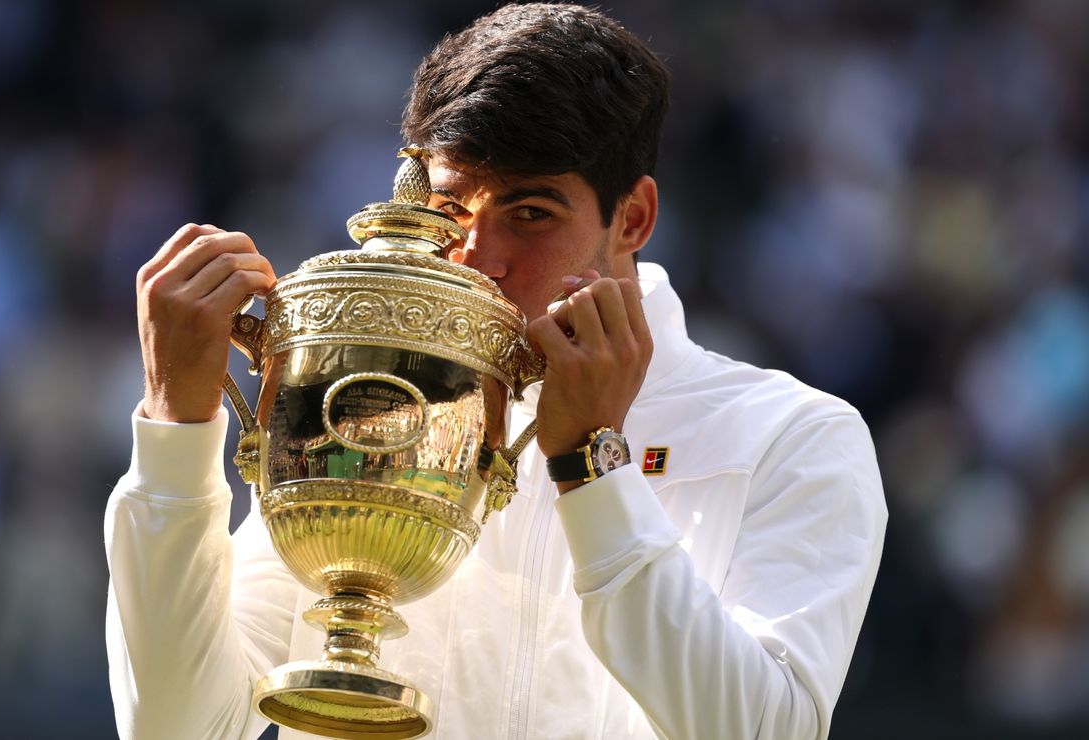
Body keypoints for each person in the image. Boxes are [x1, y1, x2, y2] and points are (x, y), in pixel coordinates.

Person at [105, 4, 887, 739]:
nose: (480, 259)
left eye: (532, 214)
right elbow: (180, 726)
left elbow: (763, 728)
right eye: (452, 213)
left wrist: (593, 468)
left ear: (635, 217)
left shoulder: (790, 436)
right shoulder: (369, 408)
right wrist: (175, 431)